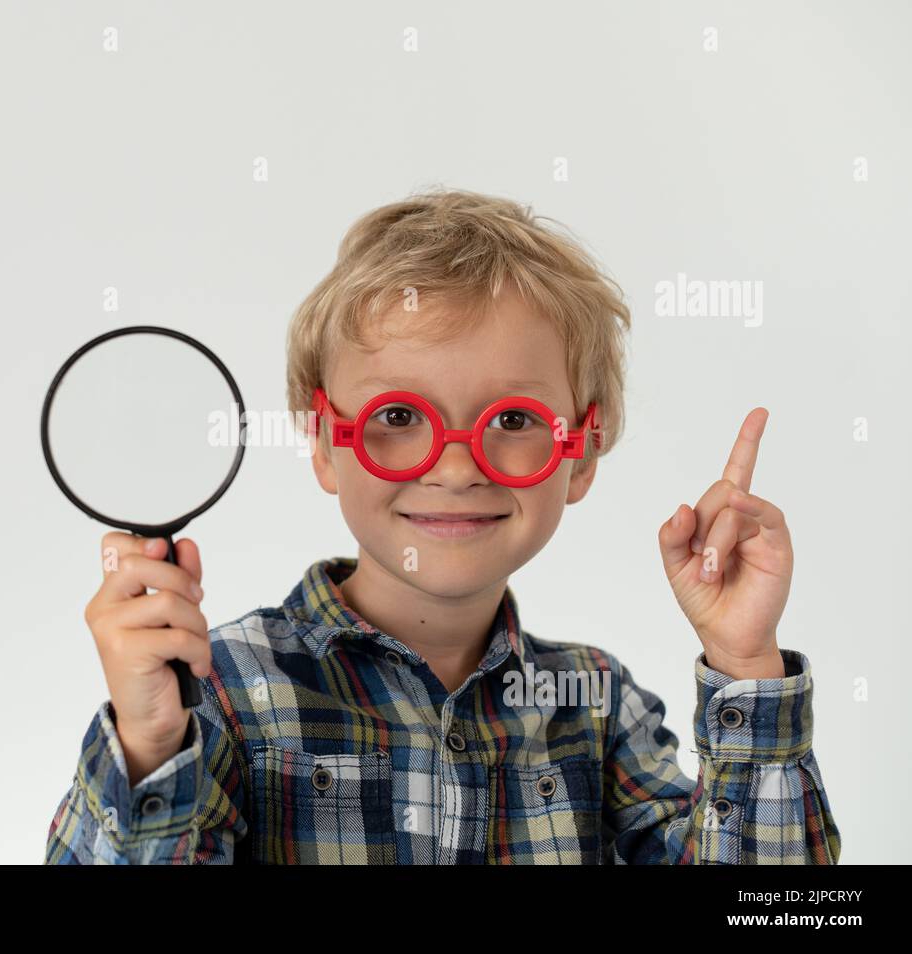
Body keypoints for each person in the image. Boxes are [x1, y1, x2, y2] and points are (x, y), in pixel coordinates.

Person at [44, 189, 840, 864]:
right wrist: (150, 747)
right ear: (325, 443)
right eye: (399, 415)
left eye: (515, 419)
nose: (458, 468)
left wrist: (745, 665)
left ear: (582, 455)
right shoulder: (215, 696)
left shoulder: (598, 707)